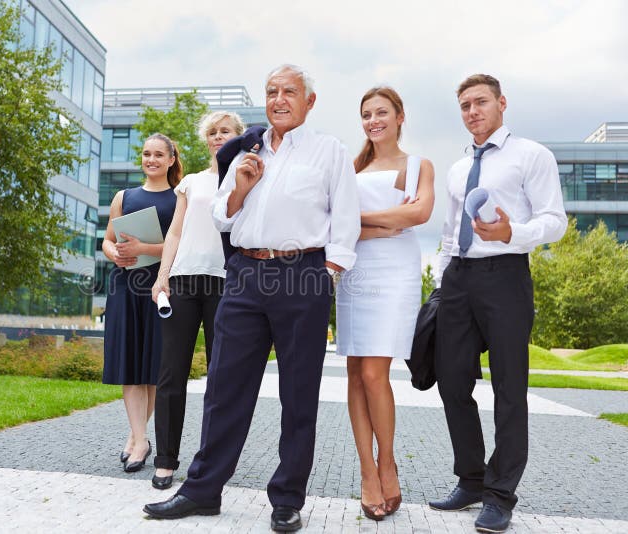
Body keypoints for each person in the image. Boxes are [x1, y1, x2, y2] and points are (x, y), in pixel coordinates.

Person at [143, 64, 361, 533]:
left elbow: (346, 222)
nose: (279, 99)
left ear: (309, 101)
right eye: (271, 92)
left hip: (303, 274)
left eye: (289, 92)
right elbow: (221, 214)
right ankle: (202, 491)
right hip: (243, 273)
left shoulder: (330, 152)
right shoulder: (248, 148)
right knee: (224, 388)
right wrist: (241, 185)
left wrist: (327, 274)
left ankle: (286, 499)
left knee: (298, 393)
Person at [429, 74, 566, 533]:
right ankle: (470, 479)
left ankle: (500, 494)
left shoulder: (531, 155)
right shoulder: (456, 167)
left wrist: (513, 233)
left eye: (480, 102)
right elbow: (450, 231)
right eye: (465, 105)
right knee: (451, 381)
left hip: (506, 276)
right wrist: (440, 281)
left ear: (501, 103)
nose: (472, 111)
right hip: (459, 279)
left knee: (509, 389)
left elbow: (555, 221)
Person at [336, 87, 434, 520]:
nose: (373, 121)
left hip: (395, 271)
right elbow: (334, 222)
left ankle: (388, 462)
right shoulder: (351, 168)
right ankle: (366, 472)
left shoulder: (418, 165)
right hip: (355, 269)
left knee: (376, 372)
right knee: (355, 374)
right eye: (366, 114)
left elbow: (419, 216)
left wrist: (361, 221)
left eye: (381, 113)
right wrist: (377, 225)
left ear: (399, 116)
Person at [149, 111, 246, 490]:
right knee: (171, 374)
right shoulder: (191, 182)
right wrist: (162, 276)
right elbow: (174, 233)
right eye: (212, 132)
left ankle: (208, 463)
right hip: (183, 281)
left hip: (227, 284)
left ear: (238, 136)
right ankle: (165, 460)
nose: (218, 137)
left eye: (225, 131)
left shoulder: (247, 178)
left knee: (220, 379)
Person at [101, 133, 181, 473]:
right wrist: (115, 254)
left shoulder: (180, 198)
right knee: (130, 367)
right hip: (124, 287)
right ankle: (140, 438)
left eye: (158, 154)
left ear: (171, 159)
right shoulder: (124, 196)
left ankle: (138, 438)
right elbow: (106, 241)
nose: (151, 159)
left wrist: (143, 249)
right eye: (147, 154)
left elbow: (183, 244)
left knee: (153, 370)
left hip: (160, 289)